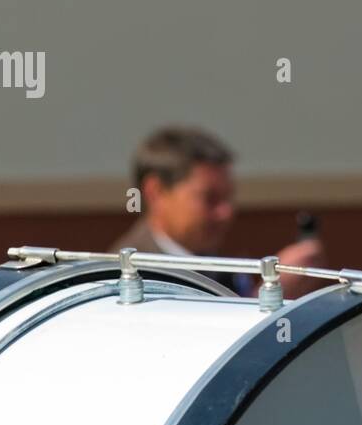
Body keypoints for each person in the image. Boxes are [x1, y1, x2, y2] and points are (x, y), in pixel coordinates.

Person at [109, 126, 326, 298]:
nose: (226, 212)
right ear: (155, 192)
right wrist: (270, 295)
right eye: (209, 198)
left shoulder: (211, 256)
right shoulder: (130, 275)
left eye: (227, 197)